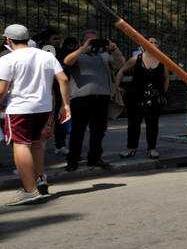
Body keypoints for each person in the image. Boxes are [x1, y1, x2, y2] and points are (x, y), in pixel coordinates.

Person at [0, 24, 70, 204]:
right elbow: (63, 78)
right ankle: (40, 179)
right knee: (37, 143)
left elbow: (2, 90)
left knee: (21, 145)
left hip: (20, 109)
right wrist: (66, 105)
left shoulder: (8, 59)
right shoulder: (46, 55)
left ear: (8, 40)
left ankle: (30, 190)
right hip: (44, 107)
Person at [62, 29, 124, 172]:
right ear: (83, 41)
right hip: (80, 99)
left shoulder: (104, 56)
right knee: (77, 131)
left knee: (99, 131)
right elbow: (67, 61)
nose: (93, 43)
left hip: (101, 98)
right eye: (89, 40)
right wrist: (84, 48)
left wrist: (114, 49)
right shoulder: (78, 55)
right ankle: (73, 160)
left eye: (95, 40)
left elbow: (121, 65)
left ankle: (95, 158)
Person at [117, 38, 170, 159]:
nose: (152, 44)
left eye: (155, 42)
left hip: (154, 97)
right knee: (133, 123)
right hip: (135, 96)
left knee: (152, 123)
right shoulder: (136, 59)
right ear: (143, 44)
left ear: (158, 45)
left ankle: (152, 149)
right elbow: (121, 71)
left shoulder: (162, 60)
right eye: (149, 42)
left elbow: (166, 78)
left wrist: (163, 92)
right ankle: (131, 148)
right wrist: (117, 86)